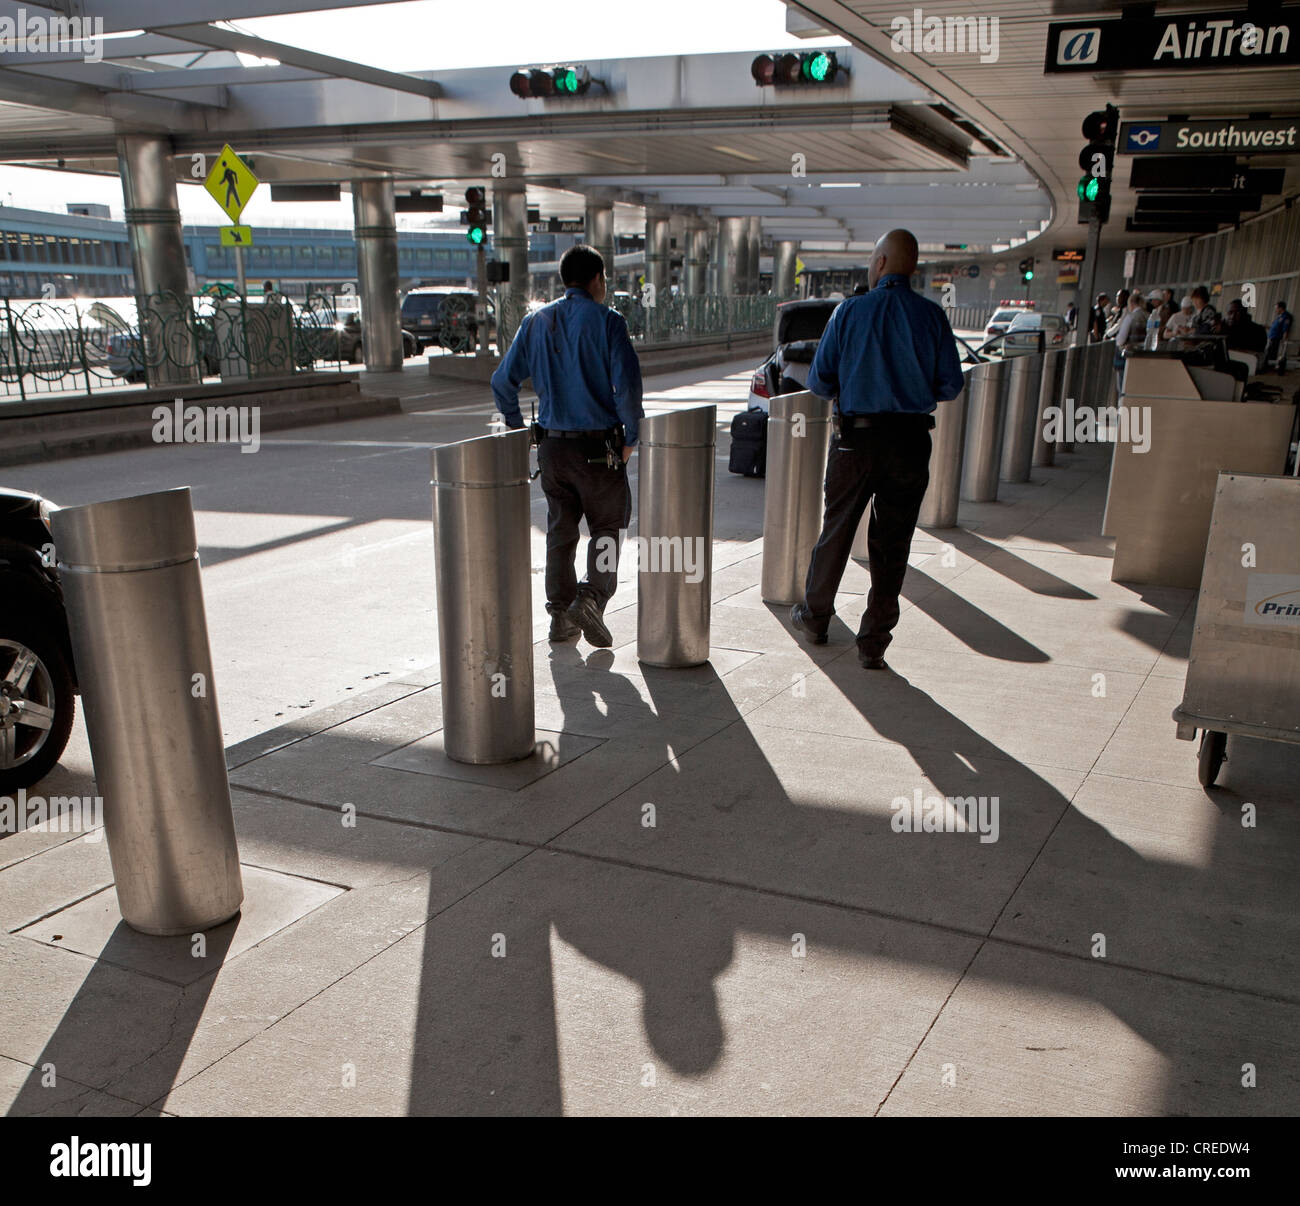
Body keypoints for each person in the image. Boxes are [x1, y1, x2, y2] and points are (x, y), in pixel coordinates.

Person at [789, 229, 963, 670]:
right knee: (893, 541)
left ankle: (815, 617)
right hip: (909, 441)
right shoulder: (931, 317)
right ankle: (873, 642)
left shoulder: (849, 312)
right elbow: (950, 385)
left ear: (882, 262)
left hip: (854, 439)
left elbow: (820, 381)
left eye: (872, 257)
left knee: (837, 529)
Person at [491, 244, 644, 647]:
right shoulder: (609, 322)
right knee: (608, 528)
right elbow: (626, 386)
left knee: (561, 530)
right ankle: (592, 596)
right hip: (600, 449)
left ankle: (561, 617)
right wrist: (631, 437)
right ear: (597, 279)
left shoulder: (535, 321)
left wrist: (517, 427)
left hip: (553, 449)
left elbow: (501, 381)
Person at [1112, 291, 1146, 395]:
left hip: (1127, 355)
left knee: (1123, 388)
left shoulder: (1130, 317)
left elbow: (1121, 339)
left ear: (1131, 303)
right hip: (1143, 356)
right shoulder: (1148, 316)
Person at [1265, 301, 1293, 373]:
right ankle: (1269, 367)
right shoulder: (1279, 317)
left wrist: (1283, 340)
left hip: (1276, 339)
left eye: (1276, 308)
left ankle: (1271, 368)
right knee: (1269, 353)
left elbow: (1285, 329)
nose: (1275, 310)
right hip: (1272, 338)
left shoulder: (1285, 317)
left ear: (1281, 308)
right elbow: (1275, 327)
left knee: (1272, 354)